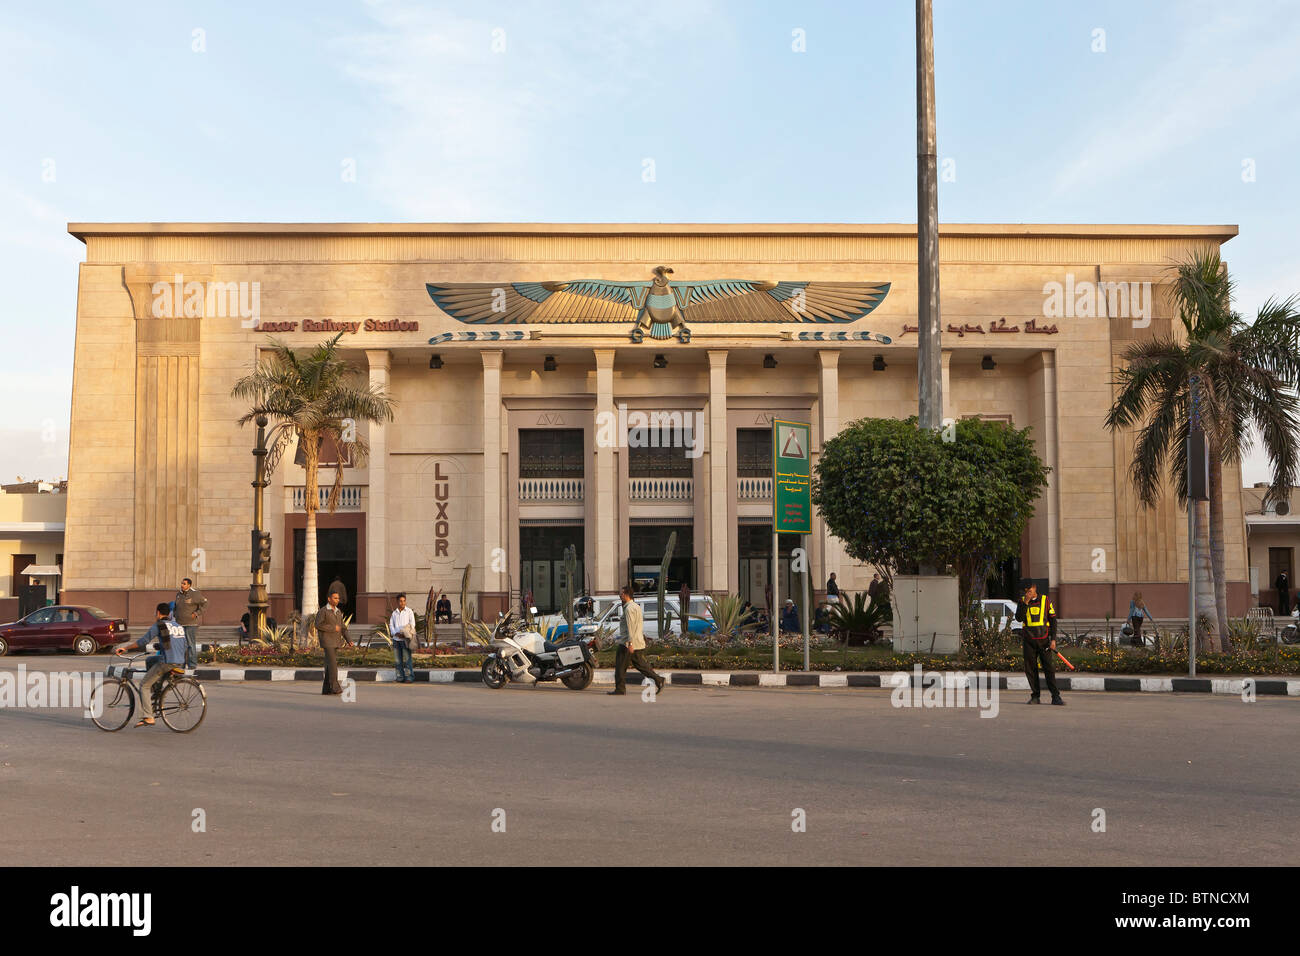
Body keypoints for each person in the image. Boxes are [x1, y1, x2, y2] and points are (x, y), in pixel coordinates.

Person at [114, 602, 186, 728]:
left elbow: (143, 641)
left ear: (158, 613)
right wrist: (161, 646)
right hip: (180, 661)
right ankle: (156, 689)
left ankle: (149, 717)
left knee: (143, 685)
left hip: (168, 662)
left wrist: (125, 648)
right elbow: (181, 644)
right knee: (150, 660)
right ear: (169, 613)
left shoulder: (159, 625)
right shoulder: (178, 625)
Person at [1014, 579, 1064, 706]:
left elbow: (1053, 620)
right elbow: (1019, 618)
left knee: (1049, 669)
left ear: (1035, 588)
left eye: (1030, 590)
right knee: (1030, 669)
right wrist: (1025, 602)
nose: (1028, 593)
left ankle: (1056, 696)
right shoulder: (1022, 601)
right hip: (1029, 641)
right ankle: (1035, 696)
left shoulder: (1045, 600)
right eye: (1026, 592)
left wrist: (1053, 639)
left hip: (1044, 641)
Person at [609, 585, 664, 696]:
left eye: (621, 593)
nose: (620, 595)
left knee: (620, 667)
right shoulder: (635, 606)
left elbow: (631, 627)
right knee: (641, 665)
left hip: (628, 643)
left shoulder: (629, 609)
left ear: (626, 595)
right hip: (637, 641)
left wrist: (630, 643)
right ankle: (658, 680)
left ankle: (620, 689)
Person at [315, 590, 349, 695]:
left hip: (336, 641)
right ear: (329, 599)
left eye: (338, 598)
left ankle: (326, 689)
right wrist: (333, 628)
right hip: (327, 641)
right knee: (333, 664)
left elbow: (343, 627)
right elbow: (318, 625)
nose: (337, 600)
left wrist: (349, 640)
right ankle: (335, 687)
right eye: (335, 598)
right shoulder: (323, 611)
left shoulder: (338, 612)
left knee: (330, 665)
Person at [172, 577, 207, 669]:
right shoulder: (179, 594)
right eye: (182, 583)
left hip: (190, 624)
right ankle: (181, 664)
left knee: (191, 644)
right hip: (179, 624)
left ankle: (192, 664)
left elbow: (205, 604)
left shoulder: (195, 594)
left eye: (184, 584)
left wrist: (197, 613)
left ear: (189, 585)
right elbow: (176, 606)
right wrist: (175, 615)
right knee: (181, 645)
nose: (182, 585)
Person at [389, 593, 416, 684]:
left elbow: (412, 624)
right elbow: (391, 625)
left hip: (405, 639)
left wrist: (405, 633)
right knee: (398, 661)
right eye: (400, 601)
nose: (402, 603)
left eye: (404, 601)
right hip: (396, 639)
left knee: (407, 659)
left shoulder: (409, 612)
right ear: (397, 602)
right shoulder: (394, 613)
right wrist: (395, 633)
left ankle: (409, 677)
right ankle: (400, 677)